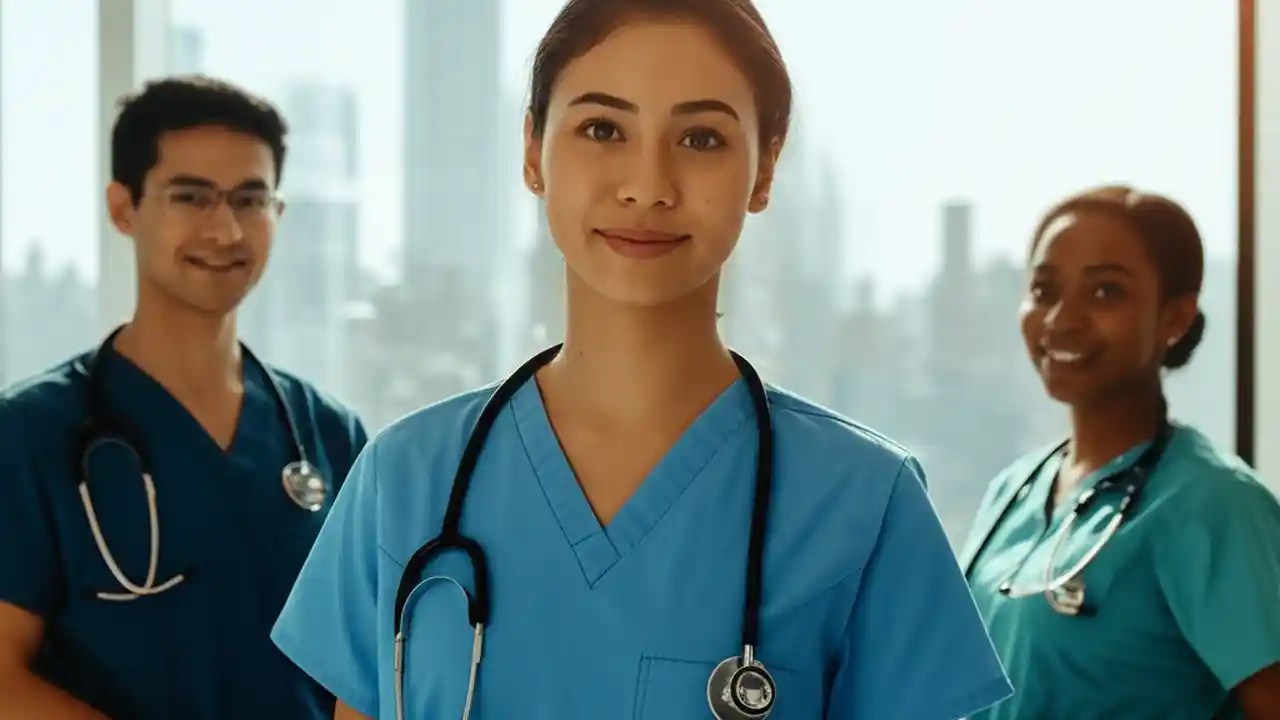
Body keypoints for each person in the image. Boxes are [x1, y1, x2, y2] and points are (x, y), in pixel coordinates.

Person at [271, 1, 1011, 718]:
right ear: (532, 150)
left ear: (764, 170)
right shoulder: (404, 480)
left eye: (701, 139)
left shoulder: (864, 502)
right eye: (602, 128)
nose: (647, 187)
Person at [0, 76, 368, 720]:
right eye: (191, 197)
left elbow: (371, 660)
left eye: (250, 199)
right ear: (124, 208)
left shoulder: (330, 434)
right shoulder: (30, 434)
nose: (225, 230)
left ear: (278, 214)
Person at [959, 185, 1280, 719]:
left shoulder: (1214, 506)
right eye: (1044, 290)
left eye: (1105, 292)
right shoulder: (1011, 490)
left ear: (1175, 318)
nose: (1062, 319)